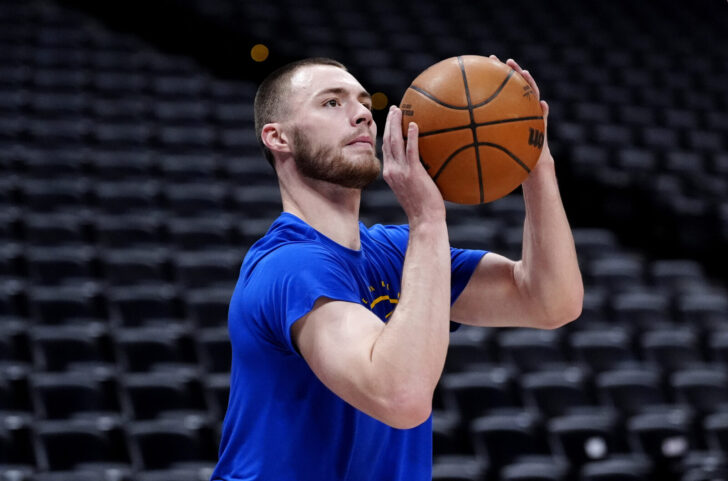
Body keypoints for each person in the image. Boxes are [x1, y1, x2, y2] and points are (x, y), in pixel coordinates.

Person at [210, 56, 583, 481]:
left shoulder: (394, 251)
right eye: (332, 102)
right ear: (278, 137)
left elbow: (550, 301)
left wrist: (534, 163)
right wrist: (427, 220)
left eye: (364, 102)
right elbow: (400, 397)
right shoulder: (290, 265)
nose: (362, 114)